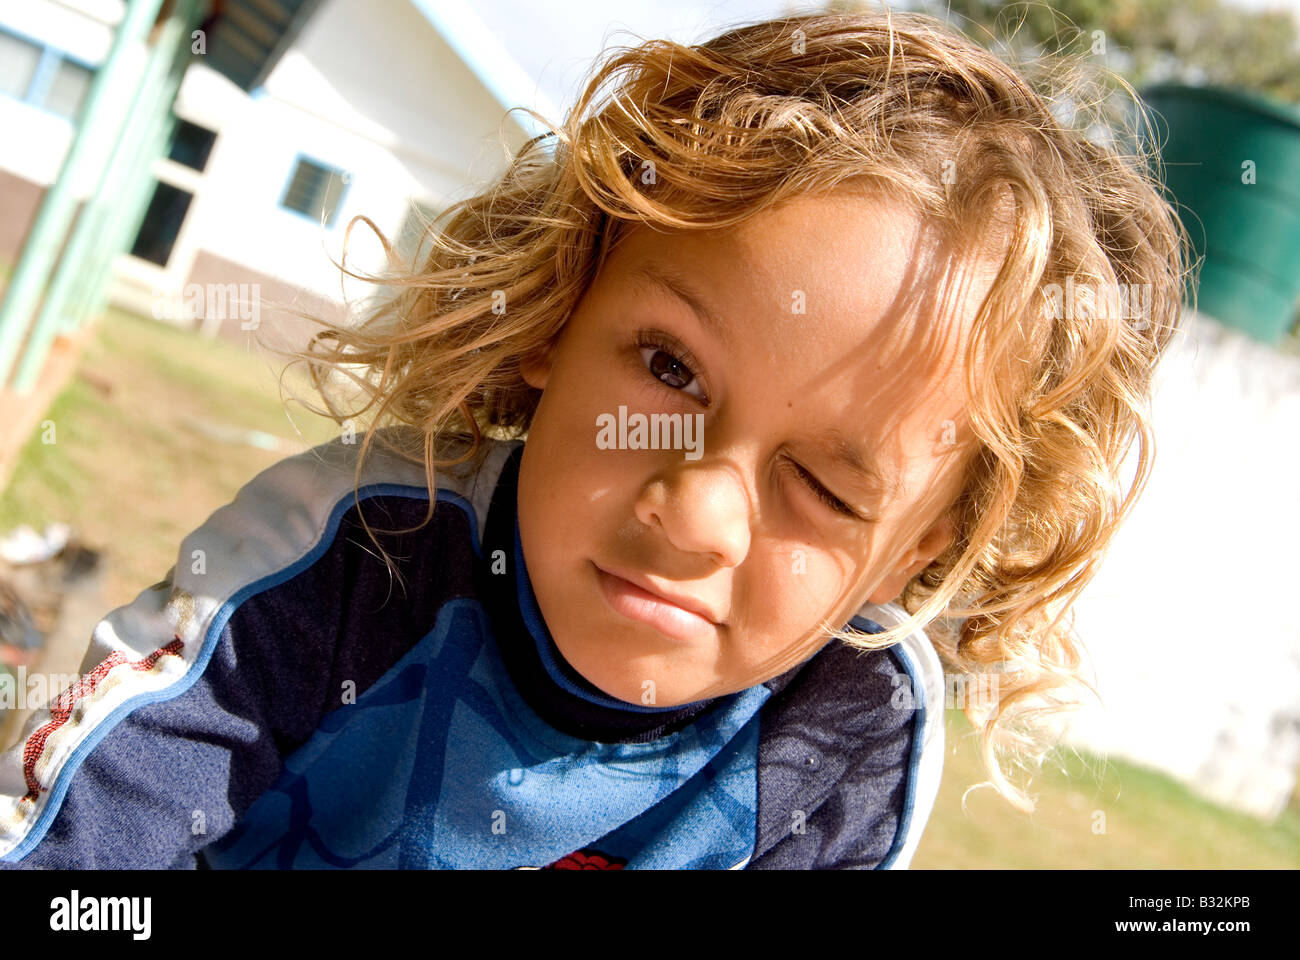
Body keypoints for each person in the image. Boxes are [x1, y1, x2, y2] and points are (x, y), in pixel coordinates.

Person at [0, 9, 1188, 869]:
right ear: (558, 316)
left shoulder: (845, 741)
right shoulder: (350, 559)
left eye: (825, 486)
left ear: (926, 548)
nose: (697, 512)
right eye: (670, 370)